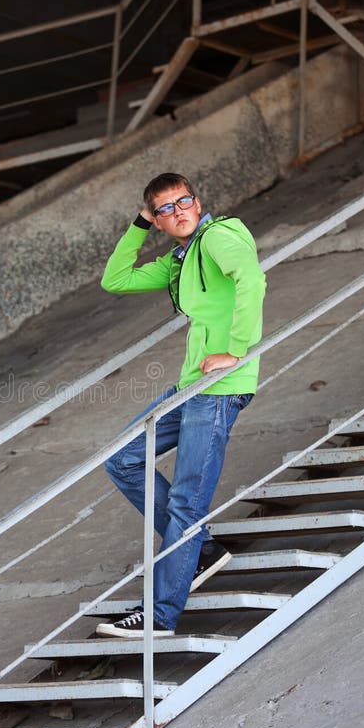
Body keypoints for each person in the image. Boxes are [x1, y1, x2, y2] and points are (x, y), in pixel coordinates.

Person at [95, 172, 266, 639]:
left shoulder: (217, 237)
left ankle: (161, 612)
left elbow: (250, 277)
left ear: (198, 199)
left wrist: (237, 348)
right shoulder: (181, 259)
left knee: (187, 500)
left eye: (183, 201)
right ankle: (204, 552)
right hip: (191, 386)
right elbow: (116, 279)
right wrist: (138, 223)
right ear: (158, 219)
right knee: (124, 459)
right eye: (164, 209)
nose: (178, 212)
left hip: (219, 387)